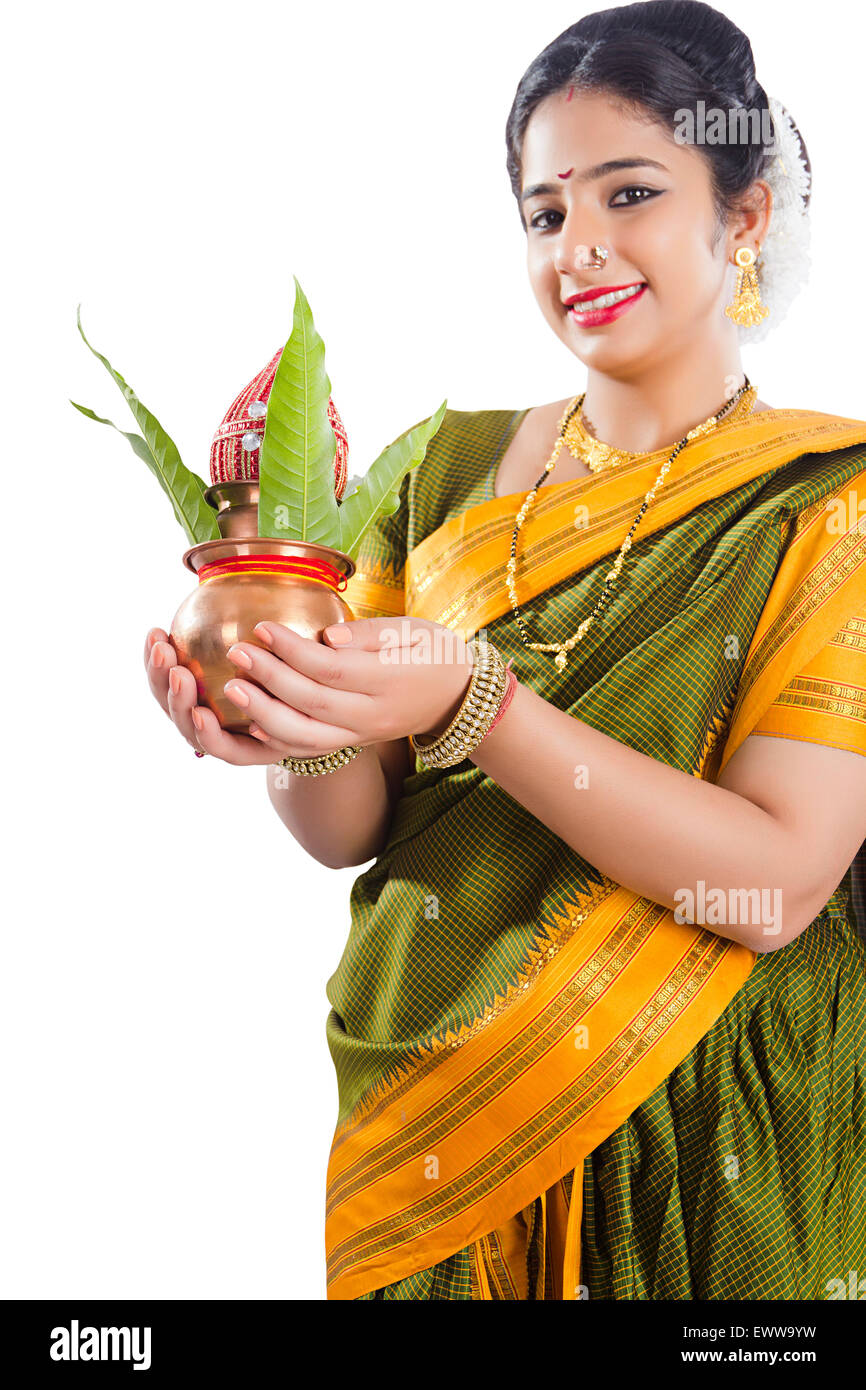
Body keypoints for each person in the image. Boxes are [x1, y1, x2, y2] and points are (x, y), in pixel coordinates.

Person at [144, 0, 866, 1300]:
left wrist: (480, 700)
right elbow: (348, 824)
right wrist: (284, 702)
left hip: (697, 1126)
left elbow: (770, 889)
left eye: (628, 193)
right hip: (437, 1111)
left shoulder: (828, 497)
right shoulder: (443, 472)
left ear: (744, 215)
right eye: (544, 212)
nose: (576, 247)